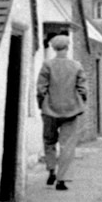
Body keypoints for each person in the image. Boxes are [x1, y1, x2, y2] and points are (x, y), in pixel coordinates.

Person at [36, 34, 87, 191]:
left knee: (49, 141)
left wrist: (42, 105)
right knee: (67, 145)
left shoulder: (47, 65)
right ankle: (61, 180)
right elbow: (83, 89)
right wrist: (79, 103)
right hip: (71, 110)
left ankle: (51, 170)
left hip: (50, 110)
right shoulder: (77, 66)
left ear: (52, 48)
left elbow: (41, 89)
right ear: (68, 47)